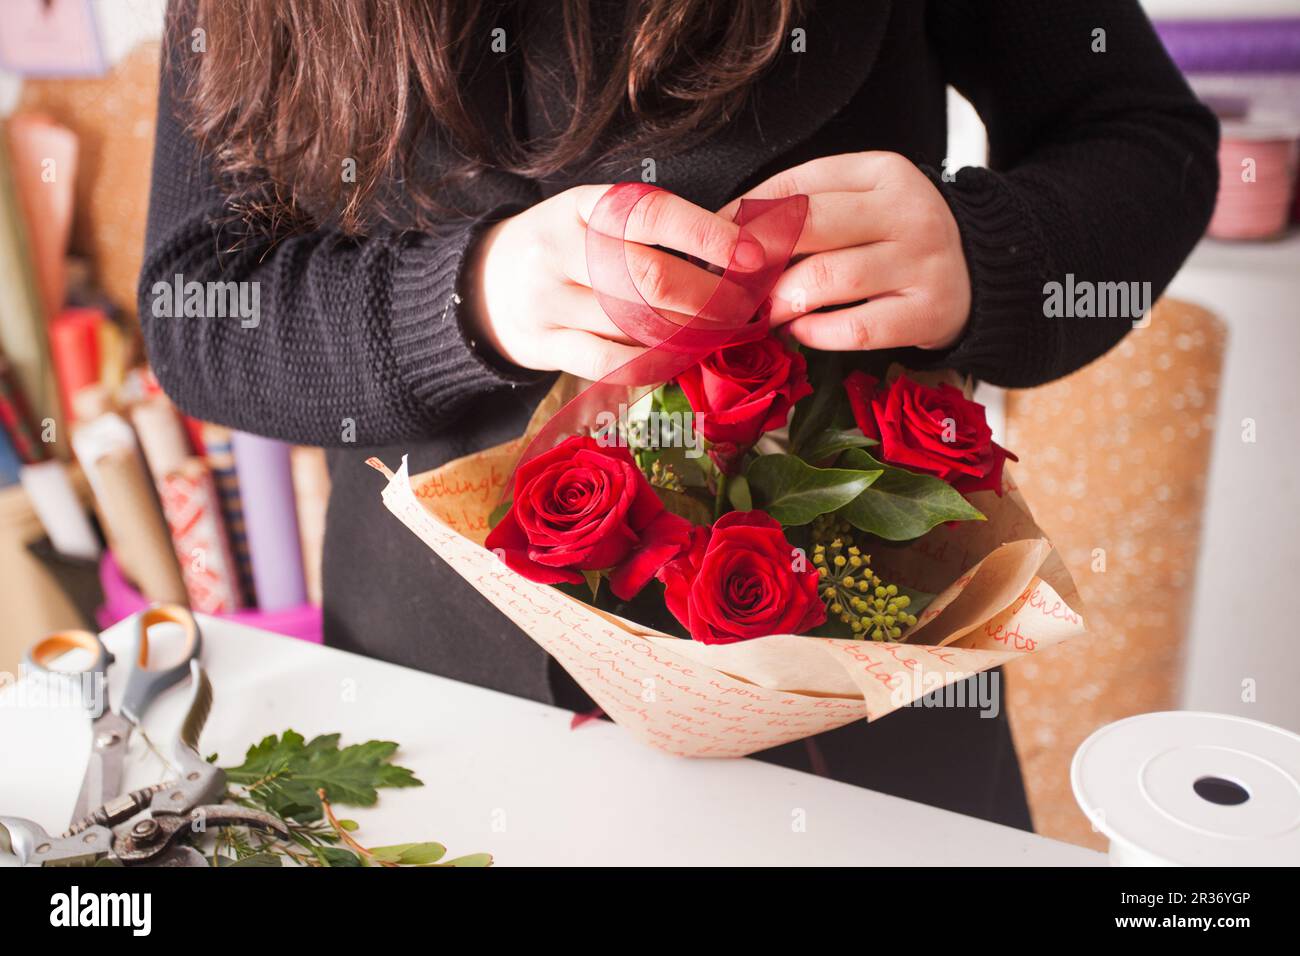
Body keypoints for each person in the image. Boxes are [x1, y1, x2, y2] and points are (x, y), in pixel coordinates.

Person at [140, 0, 1219, 829]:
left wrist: (985, 253)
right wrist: (463, 300)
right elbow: (198, 304)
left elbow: (1147, 140)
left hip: (862, 733)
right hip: (438, 713)